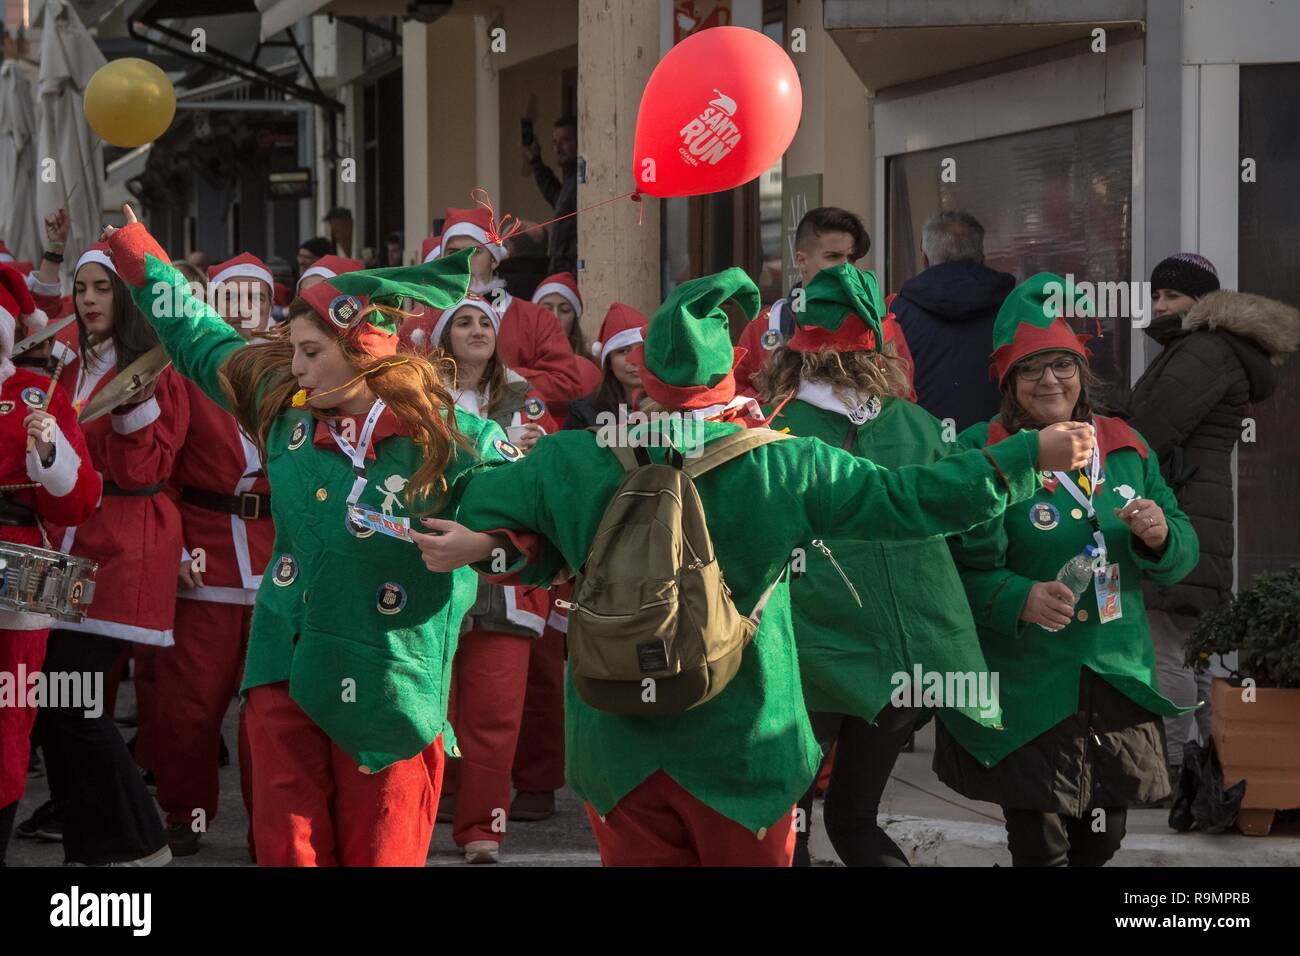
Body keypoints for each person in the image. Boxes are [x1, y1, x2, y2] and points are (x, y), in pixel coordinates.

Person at [416, 268, 1095, 867]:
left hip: (615, 748)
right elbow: (912, 501)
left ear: (644, 374)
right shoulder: (783, 462)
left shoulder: (570, 460)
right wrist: (1025, 457)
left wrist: (500, 549)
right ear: (726, 380)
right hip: (742, 744)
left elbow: (483, 510)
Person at [102, 203, 510, 867]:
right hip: (285, 671)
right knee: (289, 853)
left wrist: (481, 546)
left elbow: (539, 511)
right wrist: (136, 247)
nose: (294, 367)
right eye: (291, 350)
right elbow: (198, 337)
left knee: (380, 855)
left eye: (311, 352)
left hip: (393, 688)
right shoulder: (281, 405)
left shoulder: (453, 439)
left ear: (364, 352)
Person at [934, 273, 1199, 867]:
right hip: (1028, 683)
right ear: (1008, 379)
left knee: (1102, 838)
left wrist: (1160, 536)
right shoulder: (982, 451)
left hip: (1113, 676)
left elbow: (1182, 549)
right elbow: (948, 568)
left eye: (1063, 365)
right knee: (1041, 844)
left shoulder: (1126, 445)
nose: (1050, 379)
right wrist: (1015, 595)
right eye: (1031, 368)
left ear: (1082, 373)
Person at [755, 262, 1000, 867]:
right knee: (854, 820)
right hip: (909, 660)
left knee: (790, 823)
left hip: (806, 660)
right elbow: (980, 537)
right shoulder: (919, 426)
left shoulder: (769, 430)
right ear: (880, 345)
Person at [28, 240, 190, 867]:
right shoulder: (75, 364)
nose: (90, 300)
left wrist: (132, 411)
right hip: (64, 542)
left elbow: (150, 466)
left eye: (103, 289)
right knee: (52, 701)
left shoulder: (152, 369)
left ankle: (140, 842)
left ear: (126, 296)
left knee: (74, 698)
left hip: (122, 543)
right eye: (83, 288)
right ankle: (90, 845)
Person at [1122, 253, 1300, 777]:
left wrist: (1104, 431)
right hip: (1198, 510)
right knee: (1187, 650)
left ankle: (1174, 769)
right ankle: (1203, 767)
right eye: (1156, 295)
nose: (1162, 305)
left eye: (1174, 296)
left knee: (1167, 646)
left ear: (1204, 301)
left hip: (1183, 510)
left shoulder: (1203, 349)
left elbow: (1150, 430)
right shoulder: (1210, 347)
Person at [150, 252, 278, 858]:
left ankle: (270, 827)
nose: (245, 305)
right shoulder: (186, 374)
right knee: (192, 704)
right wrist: (174, 547)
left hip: (281, 557)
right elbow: (161, 476)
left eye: (257, 294)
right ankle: (187, 811)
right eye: (234, 294)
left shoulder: (295, 372)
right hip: (206, 554)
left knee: (271, 707)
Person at [427, 295, 558, 864]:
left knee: (496, 711)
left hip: (508, 575)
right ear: (442, 336)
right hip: (433, 572)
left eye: (486, 322)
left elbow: (554, 480)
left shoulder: (526, 399)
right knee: (430, 706)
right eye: (463, 321)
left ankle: (484, 827)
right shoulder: (417, 397)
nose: (477, 329)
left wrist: (538, 454)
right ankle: (416, 813)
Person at [0, 265, 102, 866]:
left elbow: (81, 500)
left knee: (12, 714)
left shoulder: (42, 395)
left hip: (24, 560)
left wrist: (49, 448)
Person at [406, 207, 588, 403]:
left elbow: (566, 386)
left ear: (493, 260)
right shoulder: (417, 322)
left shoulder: (536, 319)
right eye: (453, 253)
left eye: (474, 252)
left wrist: (499, 375)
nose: (462, 262)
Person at [734, 206, 914, 398]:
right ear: (802, 260)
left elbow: (904, 397)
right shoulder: (767, 323)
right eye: (834, 257)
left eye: (851, 258)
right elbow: (737, 389)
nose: (845, 268)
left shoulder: (879, 324)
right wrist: (770, 411)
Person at [891, 210, 1014, 432]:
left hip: (926, 454)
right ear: (982, 258)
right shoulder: (1015, 310)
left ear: (925, 259)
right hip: (1001, 450)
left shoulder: (895, 315)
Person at [563, 303, 646, 430]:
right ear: (609, 362)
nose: (635, 360)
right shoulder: (583, 415)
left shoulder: (672, 407)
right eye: (624, 351)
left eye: (642, 349)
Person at [532, 272, 598, 422]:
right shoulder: (517, 363)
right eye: (546, 308)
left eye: (565, 310)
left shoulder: (594, 366)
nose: (555, 317)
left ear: (574, 318)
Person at [524, 116, 578, 275]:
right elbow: (557, 197)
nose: (558, 148)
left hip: (569, 275)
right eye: (555, 142)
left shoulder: (582, 180)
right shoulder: (571, 179)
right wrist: (535, 161)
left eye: (565, 141)